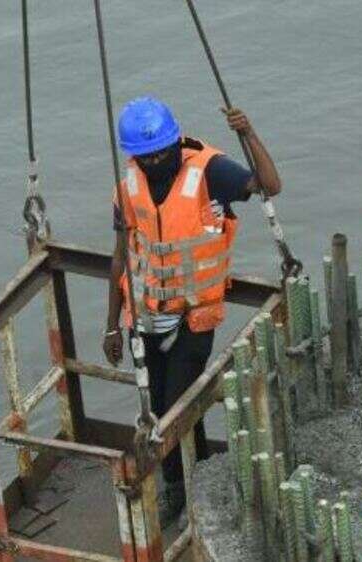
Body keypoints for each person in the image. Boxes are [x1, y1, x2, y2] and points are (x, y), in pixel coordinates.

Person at [102, 96, 281, 523]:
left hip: (195, 315)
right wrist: (111, 324)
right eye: (145, 157)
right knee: (162, 405)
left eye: (162, 152)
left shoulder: (210, 171)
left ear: (176, 141)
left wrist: (248, 132)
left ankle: (181, 491)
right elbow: (120, 255)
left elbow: (269, 185)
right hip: (144, 315)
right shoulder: (129, 185)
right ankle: (188, 479)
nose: (154, 161)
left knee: (171, 409)